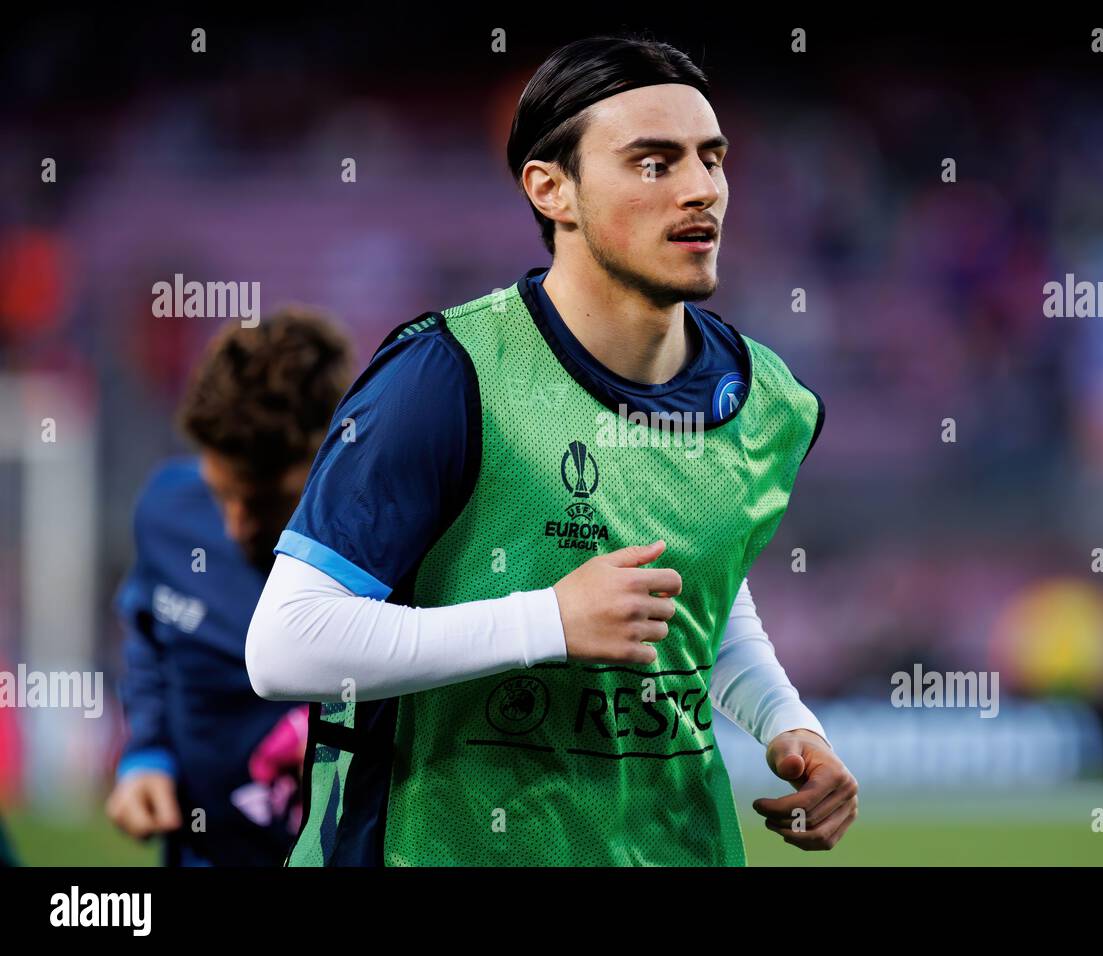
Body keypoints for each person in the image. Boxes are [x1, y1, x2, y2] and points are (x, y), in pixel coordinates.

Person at [247, 32, 858, 866]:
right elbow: (285, 644)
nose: (700, 190)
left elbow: (702, 597)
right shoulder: (444, 377)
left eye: (710, 160)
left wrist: (789, 724)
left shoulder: (770, 404)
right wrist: (546, 621)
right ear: (551, 188)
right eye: (653, 162)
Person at [107, 308, 354, 865]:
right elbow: (149, 636)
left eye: (263, 500)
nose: (235, 525)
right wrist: (147, 754)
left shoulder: (393, 548)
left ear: (332, 459)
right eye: (222, 493)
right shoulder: (167, 515)